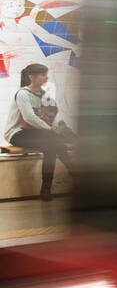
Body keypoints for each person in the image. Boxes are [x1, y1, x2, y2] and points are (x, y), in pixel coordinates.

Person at [4, 62, 74, 201]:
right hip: (17, 133)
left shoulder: (46, 95)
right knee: (54, 140)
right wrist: (51, 130)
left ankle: (46, 189)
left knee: (52, 146)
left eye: (46, 75)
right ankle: (75, 175)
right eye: (42, 75)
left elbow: (54, 116)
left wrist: (59, 127)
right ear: (31, 77)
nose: (46, 78)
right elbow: (29, 118)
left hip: (40, 133)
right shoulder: (23, 94)